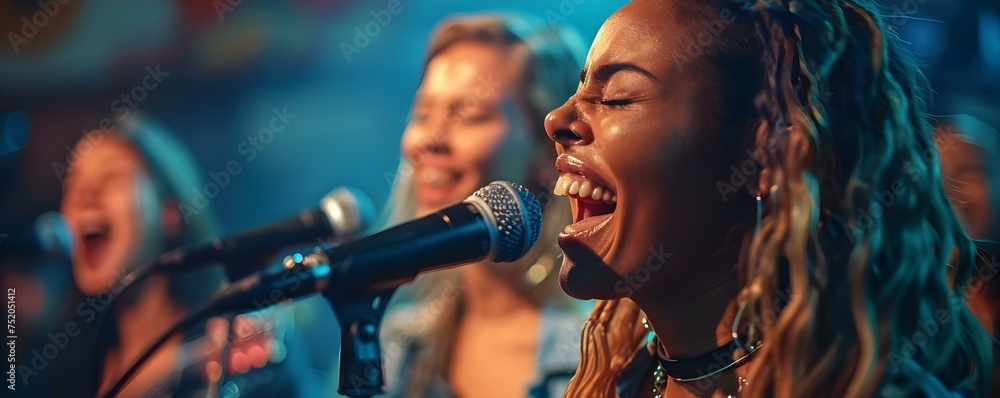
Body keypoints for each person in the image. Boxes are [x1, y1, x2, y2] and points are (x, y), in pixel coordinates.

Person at [543, 0, 991, 397]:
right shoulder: (617, 379)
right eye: (580, 89)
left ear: (768, 157)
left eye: (617, 97)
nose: (556, 118)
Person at [378, 13, 591, 398]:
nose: (430, 140)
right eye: (423, 114)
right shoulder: (399, 344)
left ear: (549, 152)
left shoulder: (598, 355)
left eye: (470, 115)